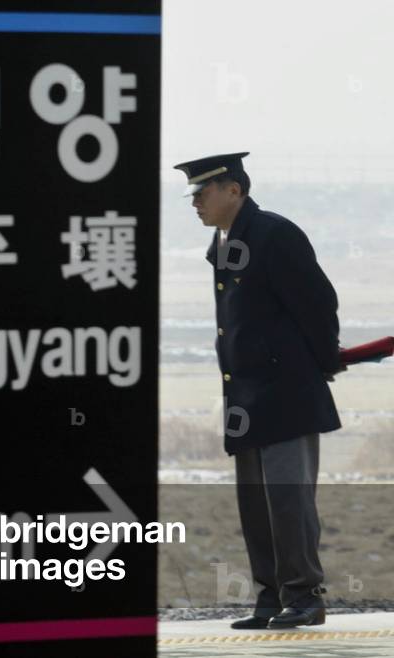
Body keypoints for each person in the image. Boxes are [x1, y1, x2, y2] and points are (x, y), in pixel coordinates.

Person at [173, 152, 344, 630]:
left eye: (202, 193)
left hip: (287, 394)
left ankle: (305, 598)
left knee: (289, 501)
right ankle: (271, 598)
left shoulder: (273, 234)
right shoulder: (223, 244)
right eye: (193, 196)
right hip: (245, 398)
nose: (196, 203)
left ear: (234, 190)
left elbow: (317, 302)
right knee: (257, 505)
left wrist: (324, 361)